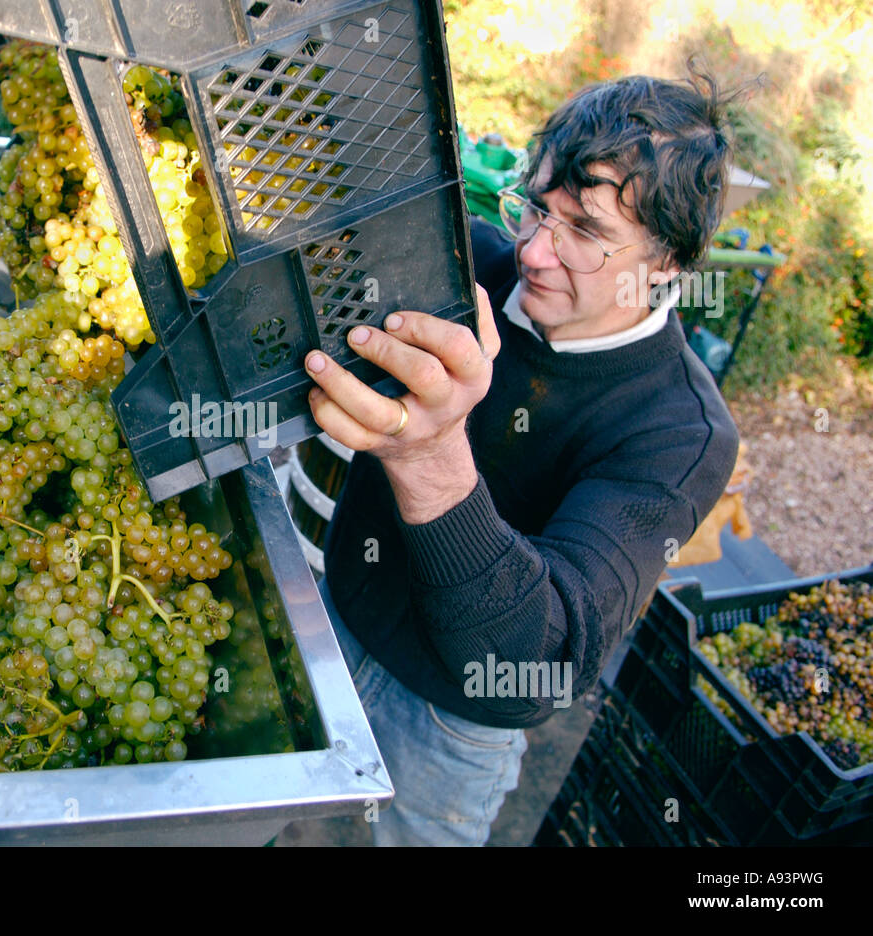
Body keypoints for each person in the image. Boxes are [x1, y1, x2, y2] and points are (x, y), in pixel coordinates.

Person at [306, 71, 741, 845]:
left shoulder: (679, 433)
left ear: (669, 261)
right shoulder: (462, 263)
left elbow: (541, 661)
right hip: (332, 622)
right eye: (537, 208)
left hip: (448, 732)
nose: (536, 250)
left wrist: (432, 454)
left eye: (585, 233)